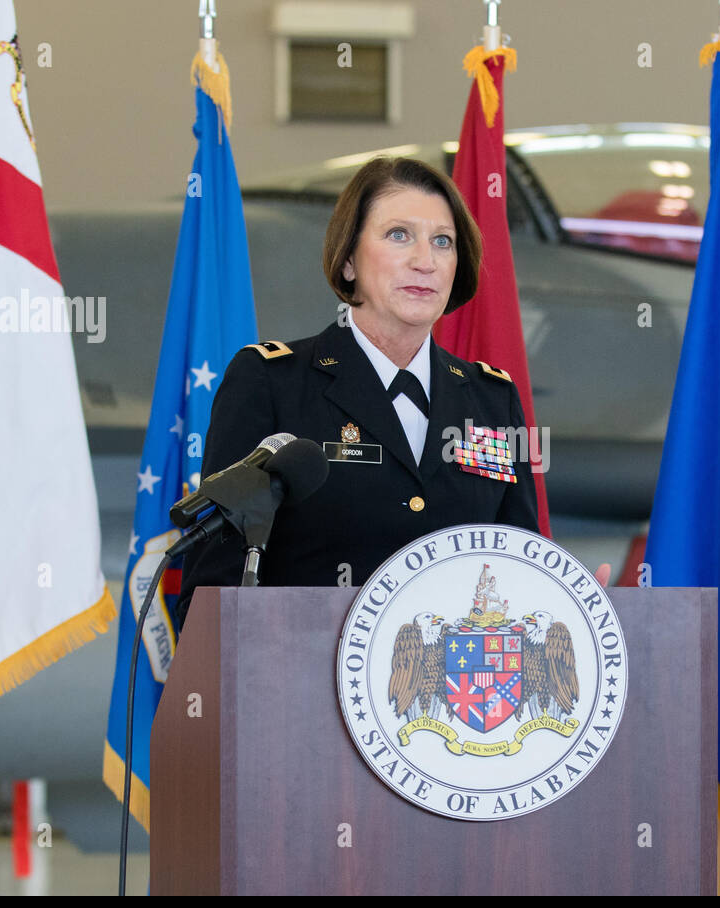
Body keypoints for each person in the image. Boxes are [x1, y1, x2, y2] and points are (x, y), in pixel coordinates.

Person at [175, 157, 540, 628]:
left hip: (448, 688)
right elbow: (211, 597)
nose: (424, 261)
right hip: (304, 687)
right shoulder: (271, 382)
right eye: (398, 235)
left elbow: (518, 566)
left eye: (442, 242)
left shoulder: (493, 400)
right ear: (348, 260)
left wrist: (554, 603)